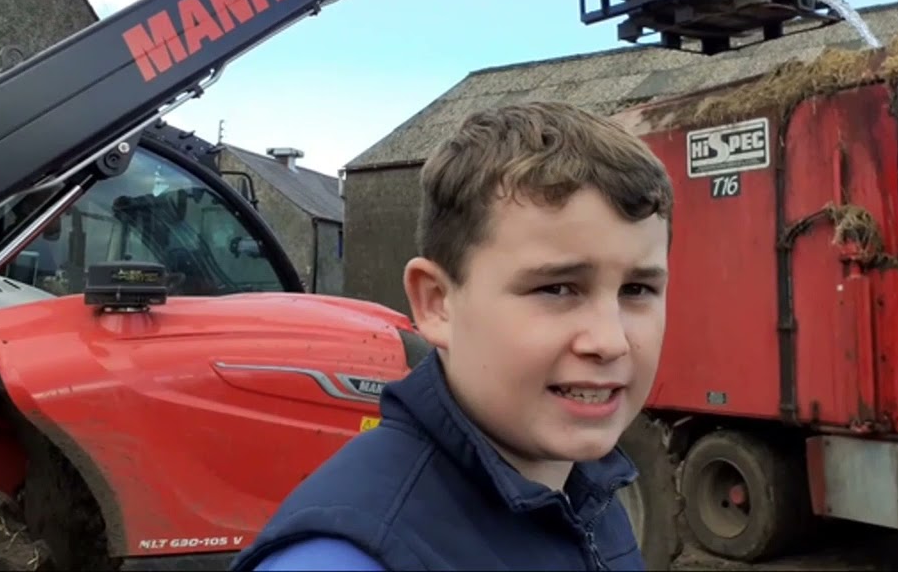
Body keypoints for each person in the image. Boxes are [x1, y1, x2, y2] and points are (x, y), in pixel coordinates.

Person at [230, 101, 674, 571]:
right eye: (557, 289)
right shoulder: (345, 560)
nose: (610, 341)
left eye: (637, 290)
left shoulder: (587, 493)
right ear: (437, 302)